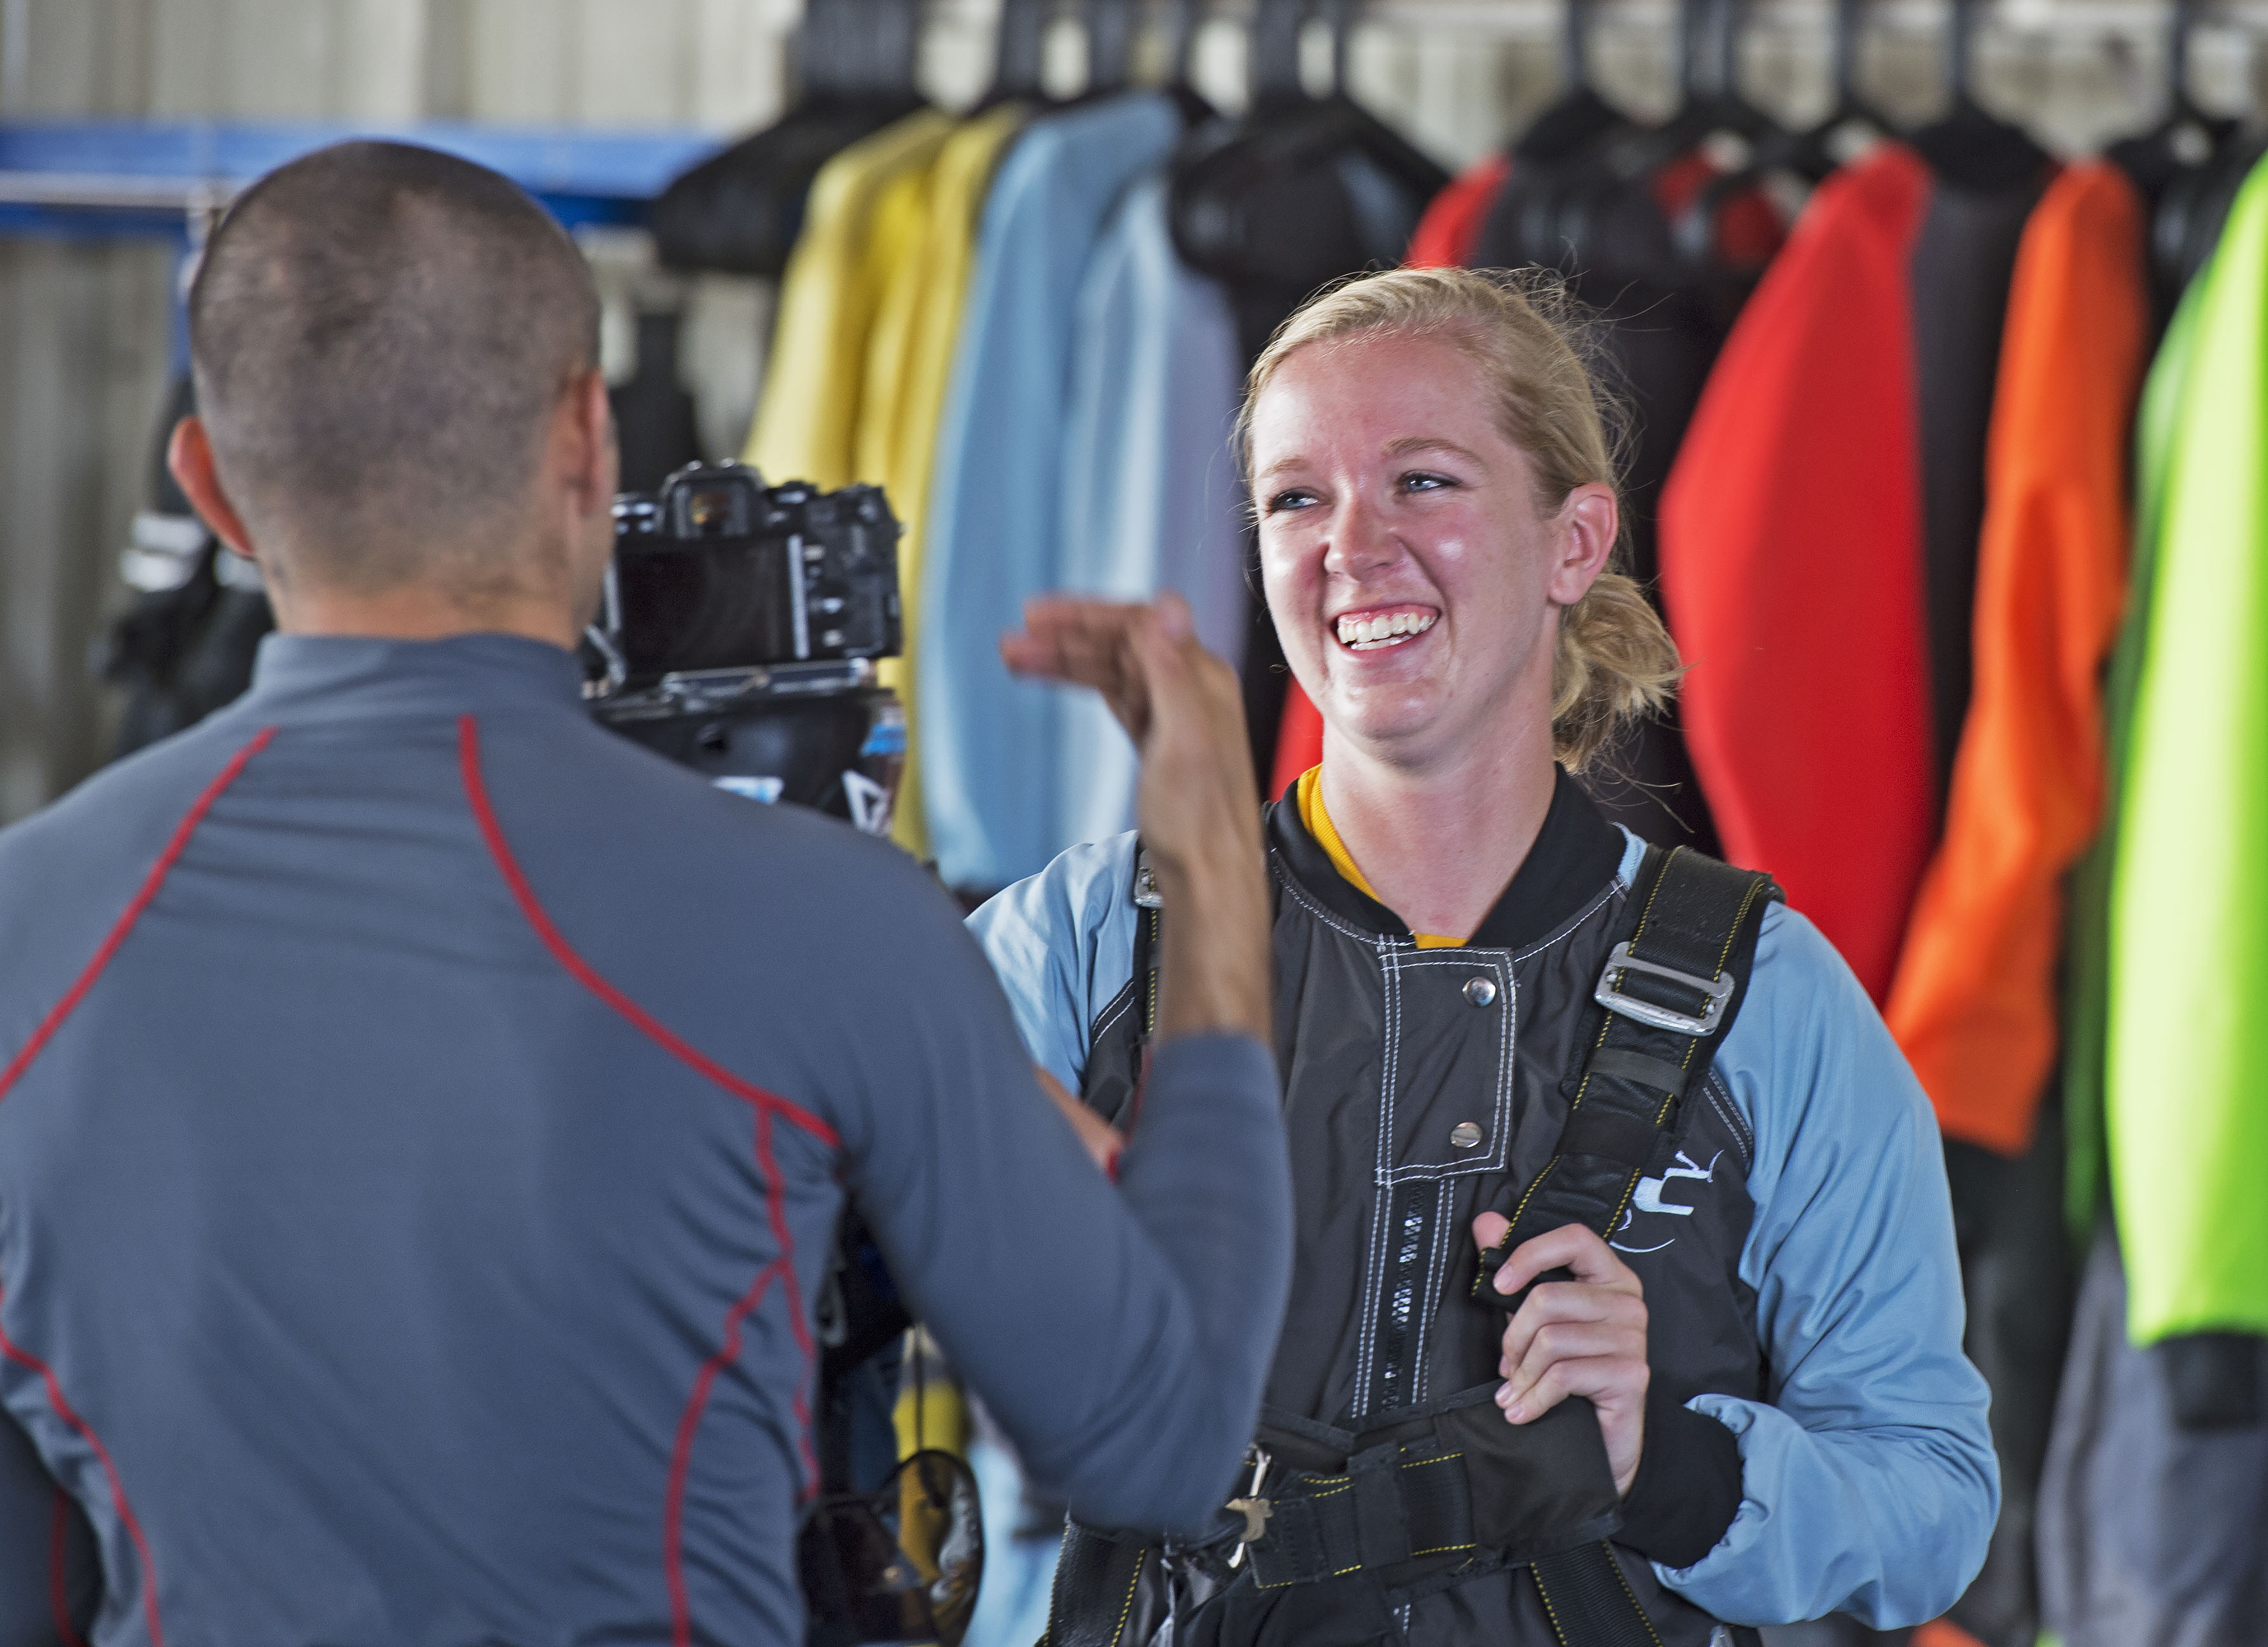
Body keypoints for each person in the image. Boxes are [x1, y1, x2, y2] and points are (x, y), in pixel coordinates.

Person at [0, 141, 1294, 1646]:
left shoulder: (24, 933)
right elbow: (1162, 1442)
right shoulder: (831, 929)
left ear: (209, 485)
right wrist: (1207, 862)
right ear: (587, 442)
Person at [974, 267, 1999, 1646]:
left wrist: (1665, 1460)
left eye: (1424, 483)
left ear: (1575, 541)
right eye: (1295, 498)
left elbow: (1932, 1501)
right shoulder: (1090, 943)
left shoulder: (1774, 1002)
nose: (1351, 545)